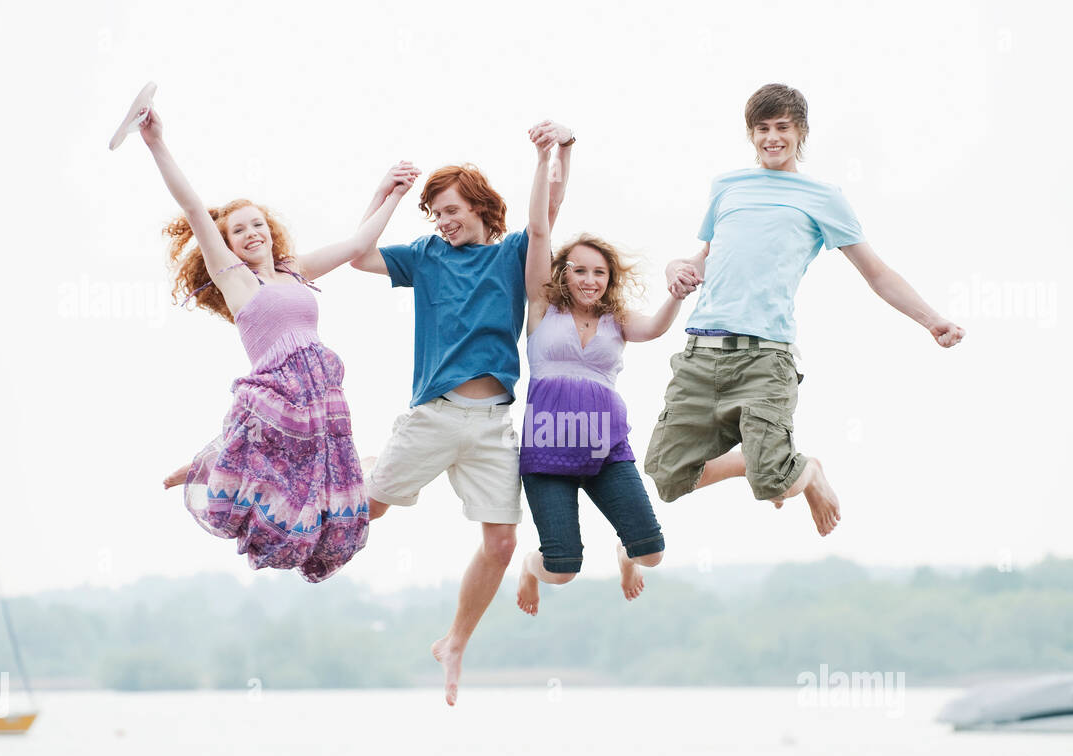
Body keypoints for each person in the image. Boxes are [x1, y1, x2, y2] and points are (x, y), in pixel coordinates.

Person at [646, 83, 966, 536]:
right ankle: (757, 464)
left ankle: (807, 470)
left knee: (773, 480)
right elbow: (705, 256)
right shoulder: (727, 187)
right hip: (700, 354)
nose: (771, 137)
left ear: (801, 132)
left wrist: (933, 320)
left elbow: (875, 272)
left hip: (763, 358)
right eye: (762, 129)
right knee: (667, 476)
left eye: (782, 127)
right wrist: (678, 266)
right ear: (751, 134)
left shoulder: (822, 196)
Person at [136, 99, 420, 581]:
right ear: (226, 244)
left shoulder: (295, 272)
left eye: (257, 224)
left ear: (271, 232)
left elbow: (355, 245)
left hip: (322, 392)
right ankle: (214, 465)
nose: (251, 233)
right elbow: (191, 207)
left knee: (326, 493)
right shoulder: (235, 279)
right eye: (238, 229)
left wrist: (390, 192)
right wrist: (156, 141)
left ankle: (217, 461)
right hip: (280, 392)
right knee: (282, 497)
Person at [349, 121, 575, 705]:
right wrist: (387, 195)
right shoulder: (426, 256)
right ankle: (369, 465)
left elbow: (548, 208)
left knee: (501, 544)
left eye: (451, 210)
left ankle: (454, 642)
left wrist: (558, 151)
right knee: (367, 513)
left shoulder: (511, 255)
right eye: (436, 214)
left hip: (495, 424)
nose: (444, 222)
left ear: (479, 208)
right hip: (434, 416)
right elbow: (359, 256)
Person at [515, 139, 689, 615]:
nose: (590, 280)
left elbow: (653, 327)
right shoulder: (543, 308)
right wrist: (546, 159)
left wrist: (674, 296)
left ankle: (624, 553)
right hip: (547, 451)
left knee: (650, 553)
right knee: (563, 569)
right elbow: (536, 231)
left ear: (609, 280)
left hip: (606, 447)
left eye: (600, 273)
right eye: (580, 271)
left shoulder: (617, 322)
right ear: (563, 274)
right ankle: (530, 566)